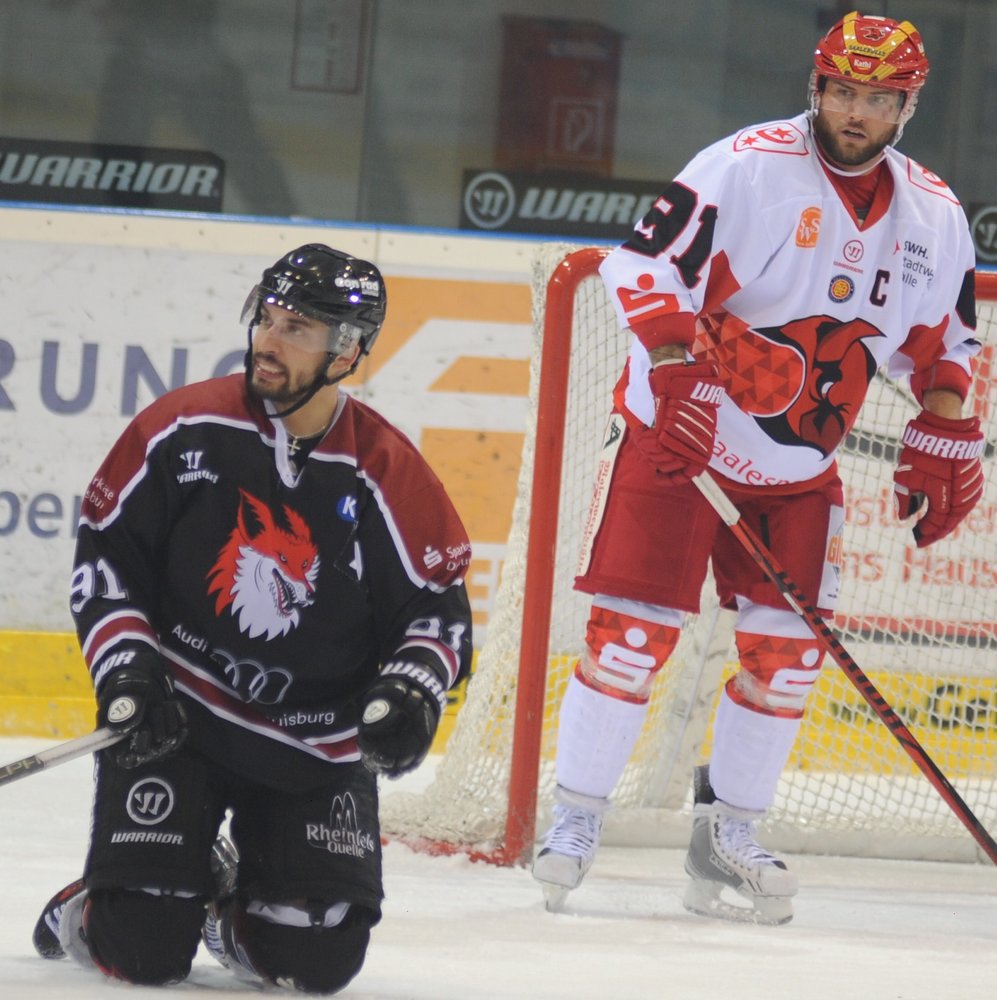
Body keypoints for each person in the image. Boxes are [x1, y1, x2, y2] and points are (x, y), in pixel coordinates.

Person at [532, 11, 983, 924]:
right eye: (844, 92)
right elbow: (643, 267)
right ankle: (574, 815)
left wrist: (944, 427)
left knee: (784, 660)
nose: (856, 113)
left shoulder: (931, 212)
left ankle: (725, 837)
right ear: (815, 87)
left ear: (907, 107)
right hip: (680, 443)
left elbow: (943, 347)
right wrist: (672, 367)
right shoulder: (743, 166)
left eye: (879, 99)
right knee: (628, 639)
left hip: (796, 469)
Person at [32, 244, 473, 992]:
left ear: (350, 350)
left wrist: (408, 692)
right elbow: (107, 563)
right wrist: (130, 668)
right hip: (181, 724)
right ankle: (105, 896)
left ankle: (222, 904)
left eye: (296, 329)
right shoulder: (181, 430)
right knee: (139, 948)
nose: (267, 341)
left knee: (316, 956)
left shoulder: (384, 471)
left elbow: (438, 615)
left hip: (311, 746)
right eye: (266, 317)